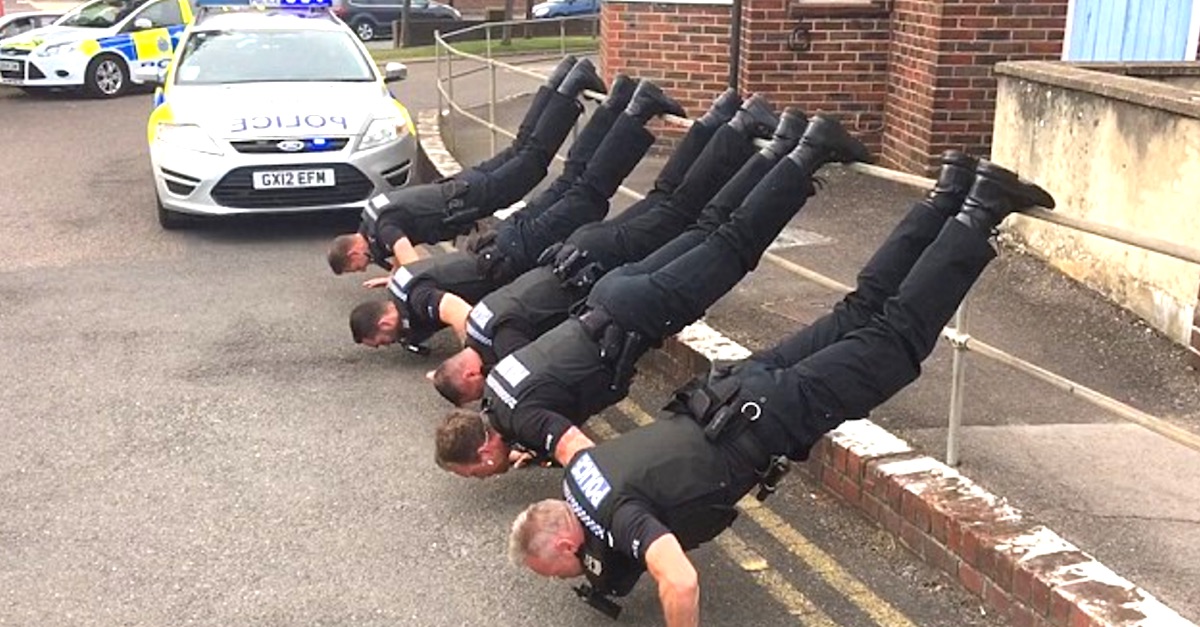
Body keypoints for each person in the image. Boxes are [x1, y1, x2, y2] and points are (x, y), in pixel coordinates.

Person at [505, 154, 1057, 626]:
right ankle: (949, 194)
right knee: (860, 311)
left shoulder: (617, 521)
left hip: (767, 415)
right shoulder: (578, 475)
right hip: (731, 389)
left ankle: (978, 209)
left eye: (552, 570)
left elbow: (679, 580)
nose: (560, 578)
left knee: (895, 339)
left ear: (563, 544)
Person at [431, 113, 871, 478]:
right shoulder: (497, 395)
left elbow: (583, 459)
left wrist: (574, 473)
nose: (482, 477)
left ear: (485, 454)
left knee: (733, 243)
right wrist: (537, 446)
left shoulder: (525, 421)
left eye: (473, 473)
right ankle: (781, 147)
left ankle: (806, 152)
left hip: (640, 313)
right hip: (610, 295)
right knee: (710, 229)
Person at [432, 100, 806, 403]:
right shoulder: (477, 326)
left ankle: (747, 132)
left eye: (479, 392)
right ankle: (722, 120)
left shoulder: (502, 345)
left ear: (471, 373)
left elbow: (525, 382)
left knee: (684, 210)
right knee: (669, 199)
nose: (488, 394)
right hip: (584, 253)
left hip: (598, 262)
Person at [347, 79, 686, 350]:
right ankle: (619, 104)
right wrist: (393, 276)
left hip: (515, 247)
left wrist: (476, 359)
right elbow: (413, 265)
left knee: (586, 192)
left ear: (384, 323)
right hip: (504, 240)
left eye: (377, 343)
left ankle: (636, 110)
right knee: (573, 181)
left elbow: (458, 313)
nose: (382, 346)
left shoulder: (418, 300)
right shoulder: (403, 287)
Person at [326, 56, 604, 275]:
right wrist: (394, 274)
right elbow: (404, 251)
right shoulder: (372, 217)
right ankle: (562, 78)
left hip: (473, 196)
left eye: (357, 267)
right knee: (522, 147)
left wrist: (402, 285)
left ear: (352, 253)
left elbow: (413, 261)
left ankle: (569, 87)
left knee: (532, 159)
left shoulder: (383, 231)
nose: (363, 267)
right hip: (464, 185)